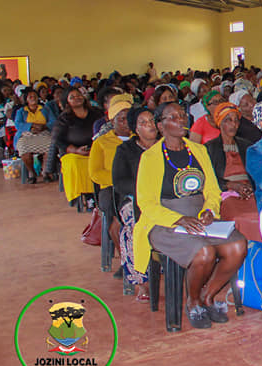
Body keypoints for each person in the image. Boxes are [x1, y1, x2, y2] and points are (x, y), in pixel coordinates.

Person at [134, 102, 248, 329]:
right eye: (173, 117)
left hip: (200, 217)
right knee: (204, 252)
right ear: (160, 125)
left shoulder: (198, 150)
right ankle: (193, 301)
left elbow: (213, 190)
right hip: (165, 221)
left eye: (182, 115)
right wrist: (179, 219)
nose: (181, 120)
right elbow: (146, 203)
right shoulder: (151, 157)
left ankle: (208, 295)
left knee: (238, 246)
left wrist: (209, 210)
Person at [111, 106, 159, 303]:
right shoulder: (125, 150)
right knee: (133, 228)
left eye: (152, 121)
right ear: (135, 129)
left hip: (167, 197)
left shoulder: (167, 146)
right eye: (144, 123)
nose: (150, 126)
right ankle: (141, 281)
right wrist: (145, 190)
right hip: (135, 199)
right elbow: (119, 181)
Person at [88, 94, 133, 254]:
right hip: (111, 188)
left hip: (137, 186)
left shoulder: (139, 139)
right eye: (121, 119)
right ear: (112, 121)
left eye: (129, 118)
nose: (126, 123)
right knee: (115, 214)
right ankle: (125, 258)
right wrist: (120, 180)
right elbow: (95, 173)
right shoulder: (101, 142)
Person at [205, 102, 256, 221]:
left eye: (236, 120)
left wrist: (250, 186)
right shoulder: (209, 148)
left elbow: (256, 172)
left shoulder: (246, 146)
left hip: (249, 191)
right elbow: (207, 179)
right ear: (220, 123)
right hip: (225, 193)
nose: (234, 124)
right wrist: (231, 185)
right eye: (228, 120)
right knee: (240, 217)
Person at [54, 87, 104, 204]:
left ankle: (103, 192)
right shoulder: (64, 118)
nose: (77, 98)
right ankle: (87, 195)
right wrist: (76, 150)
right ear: (67, 102)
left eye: (79, 95)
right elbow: (58, 140)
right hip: (73, 153)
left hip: (96, 149)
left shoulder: (96, 113)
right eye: (72, 97)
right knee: (75, 164)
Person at [13, 88, 55, 183]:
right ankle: (32, 173)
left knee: (50, 146)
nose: (33, 98)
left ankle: (45, 172)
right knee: (23, 148)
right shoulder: (21, 111)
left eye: (35, 96)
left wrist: (44, 126)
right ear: (26, 99)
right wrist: (32, 126)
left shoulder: (45, 109)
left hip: (44, 133)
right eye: (30, 97)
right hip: (27, 134)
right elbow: (18, 124)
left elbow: (53, 121)